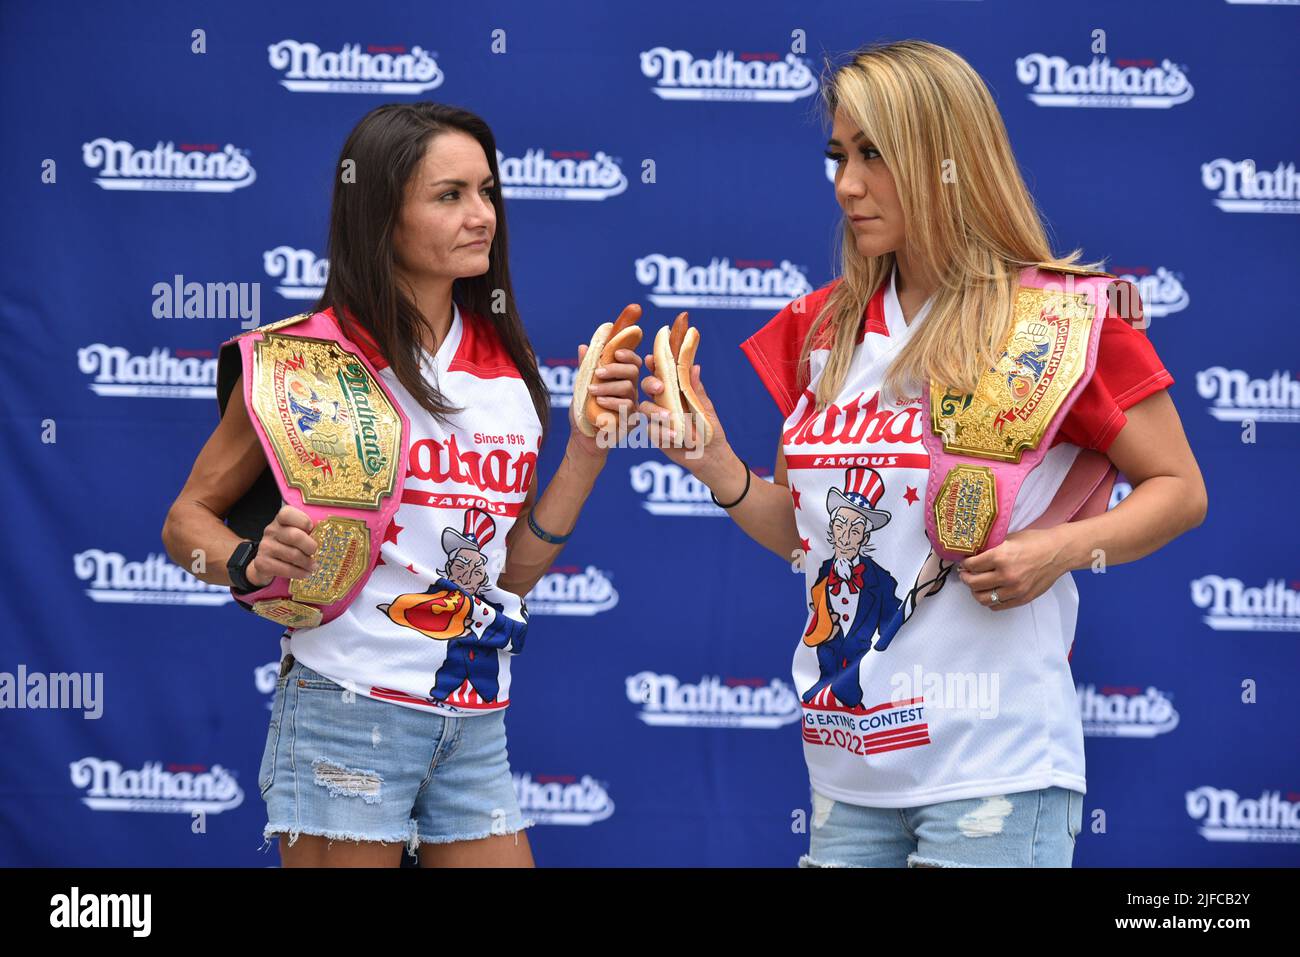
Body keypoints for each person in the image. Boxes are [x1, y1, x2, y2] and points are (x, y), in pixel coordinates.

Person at [638, 40, 1207, 868]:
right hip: (847, 768)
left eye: (875, 154)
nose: (846, 184)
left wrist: (1058, 550)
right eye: (839, 155)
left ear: (948, 160)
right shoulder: (822, 331)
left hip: (995, 765)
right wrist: (717, 462)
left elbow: (1181, 488)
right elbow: (814, 539)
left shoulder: (1056, 320)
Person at [161, 103, 642, 867]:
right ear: (381, 215)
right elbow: (187, 520)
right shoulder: (305, 362)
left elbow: (505, 575)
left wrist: (586, 449)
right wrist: (251, 559)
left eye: (487, 191)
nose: (482, 215)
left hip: (475, 716)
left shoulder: (508, 371)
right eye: (449, 195)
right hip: (346, 708)